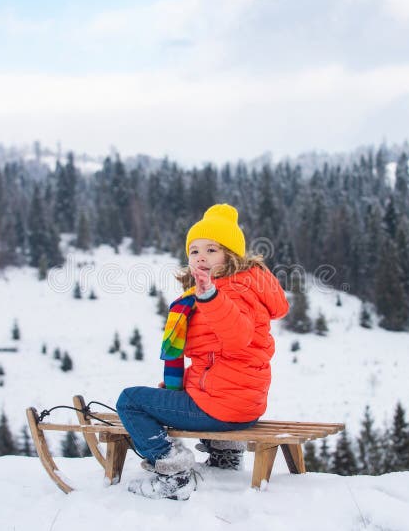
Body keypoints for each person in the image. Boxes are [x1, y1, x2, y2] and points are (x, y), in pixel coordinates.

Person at [116, 203, 289, 500]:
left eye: (211, 249)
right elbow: (213, 360)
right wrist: (181, 385)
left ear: (230, 255)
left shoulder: (228, 292)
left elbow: (238, 337)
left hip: (222, 408)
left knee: (130, 401)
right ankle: (225, 456)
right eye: (194, 250)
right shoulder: (242, 286)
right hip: (244, 406)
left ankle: (173, 473)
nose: (201, 257)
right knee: (168, 396)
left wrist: (210, 296)